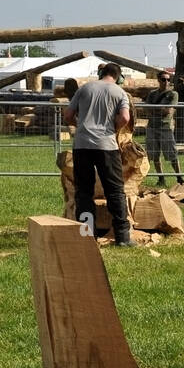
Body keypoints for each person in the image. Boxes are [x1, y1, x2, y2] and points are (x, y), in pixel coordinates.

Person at [63, 63, 132, 246]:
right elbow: (125, 118)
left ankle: (86, 235)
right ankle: (123, 237)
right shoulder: (119, 92)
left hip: (82, 146)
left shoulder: (85, 88)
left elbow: (68, 114)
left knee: (84, 192)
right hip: (107, 146)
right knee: (115, 191)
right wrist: (113, 129)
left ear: (101, 73)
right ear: (118, 76)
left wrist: (81, 127)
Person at [145, 70, 184, 188]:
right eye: (163, 79)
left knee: (172, 154)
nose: (166, 82)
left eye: (168, 79)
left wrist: (155, 109)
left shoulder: (173, 94)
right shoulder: (152, 94)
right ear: (158, 80)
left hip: (165, 127)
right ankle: (161, 178)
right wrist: (160, 109)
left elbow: (168, 111)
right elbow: (147, 110)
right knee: (154, 155)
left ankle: (179, 177)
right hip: (152, 127)